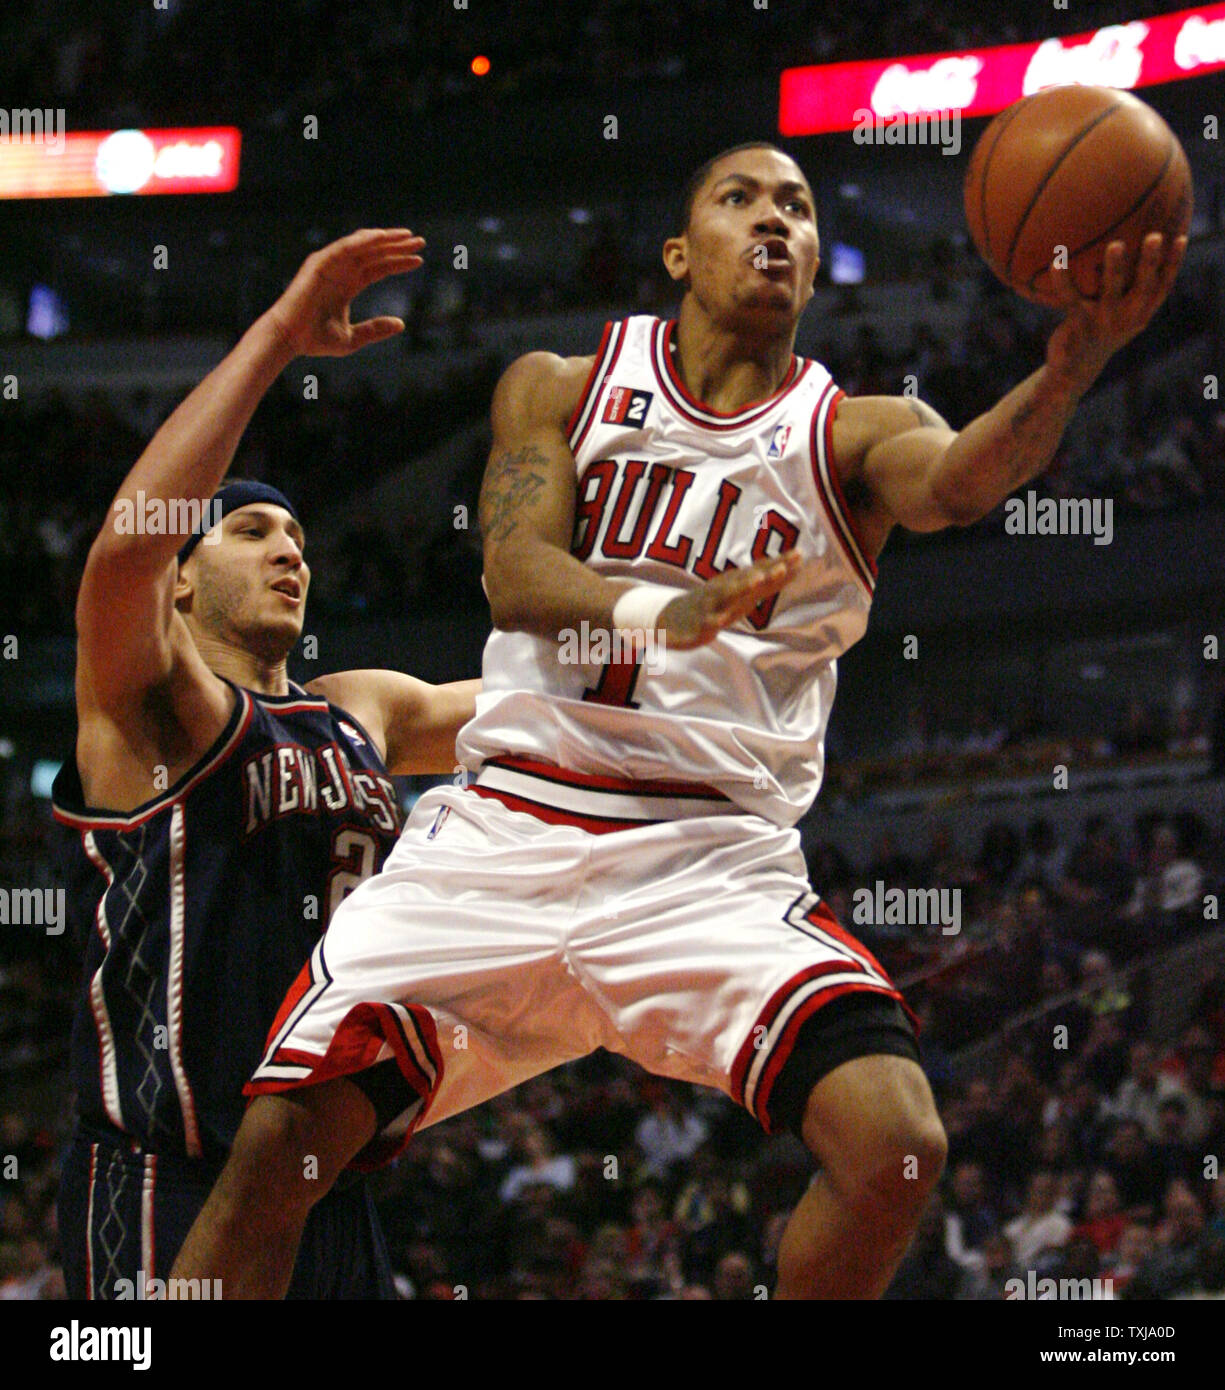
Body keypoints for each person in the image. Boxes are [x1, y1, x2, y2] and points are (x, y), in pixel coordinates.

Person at [170, 142, 1186, 1299]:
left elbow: (956, 481)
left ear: (814, 262)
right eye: (739, 198)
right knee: (277, 1155)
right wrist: (666, 608)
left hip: (713, 862)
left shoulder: (853, 431)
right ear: (677, 251)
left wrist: (1074, 366)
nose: (773, 222)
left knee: (898, 1149)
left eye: (797, 209)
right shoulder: (558, 383)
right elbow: (517, 573)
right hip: (510, 832)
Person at [51, 230, 479, 1299]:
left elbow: (552, 703)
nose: (291, 550)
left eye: (297, 534)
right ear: (184, 584)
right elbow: (125, 548)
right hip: (168, 1178)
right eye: (250, 530)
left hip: (323, 1181)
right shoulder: (155, 712)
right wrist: (281, 335)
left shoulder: (360, 708)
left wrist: (715, 613)